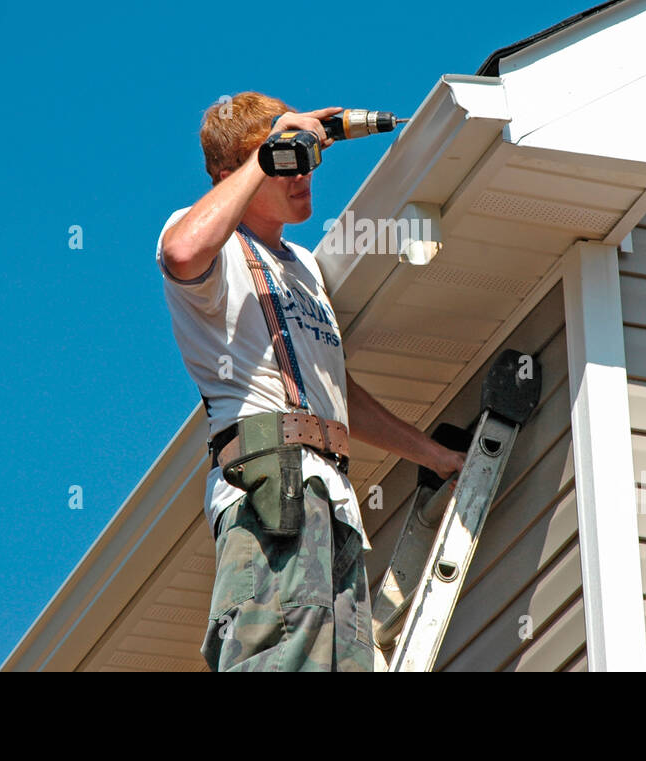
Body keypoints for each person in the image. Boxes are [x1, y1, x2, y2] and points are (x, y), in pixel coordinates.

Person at [156, 91, 465, 672]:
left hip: (331, 497)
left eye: (304, 158)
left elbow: (335, 395)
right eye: (283, 162)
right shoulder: (213, 248)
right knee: (278, 658)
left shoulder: (303, 268)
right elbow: (181, 252)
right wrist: (268, 152)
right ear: (235, 174)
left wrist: (436, 456)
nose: (300, 175)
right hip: (273, 488)